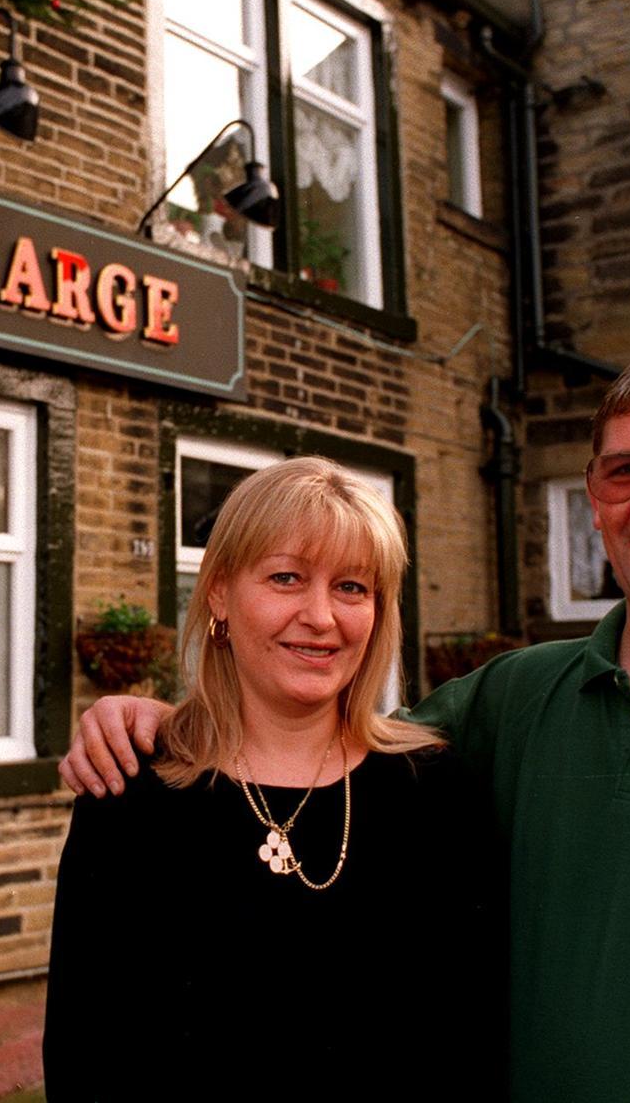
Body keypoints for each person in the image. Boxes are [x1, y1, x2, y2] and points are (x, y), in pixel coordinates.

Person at [60, 349, 630, 1103]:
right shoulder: (508, 704)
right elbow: (302, 736)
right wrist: (163, 723)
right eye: (625, 471)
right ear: (593, 498)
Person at [44, 456, 504, 1101]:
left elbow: (471, 1041)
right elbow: (88, 1050)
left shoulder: (436, 789)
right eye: (286, 578)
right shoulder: (132, 790)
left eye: (352, 587)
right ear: (220, 594)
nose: (321, 616)